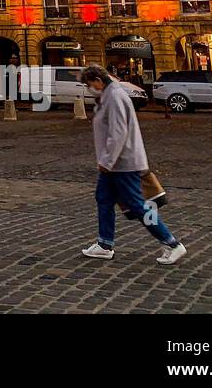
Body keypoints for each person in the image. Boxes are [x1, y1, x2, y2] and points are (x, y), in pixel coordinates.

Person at [79, 64, 187, 265]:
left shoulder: (115, 97)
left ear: (98, 80)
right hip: (112, 163)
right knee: (103, 198)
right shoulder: (107, 96)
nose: (88, 88)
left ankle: (172, 243)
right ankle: (104, 244)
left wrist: (108, 160)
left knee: (138, 205)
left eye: (89, 84)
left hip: (123, 162)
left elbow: (118, 132)